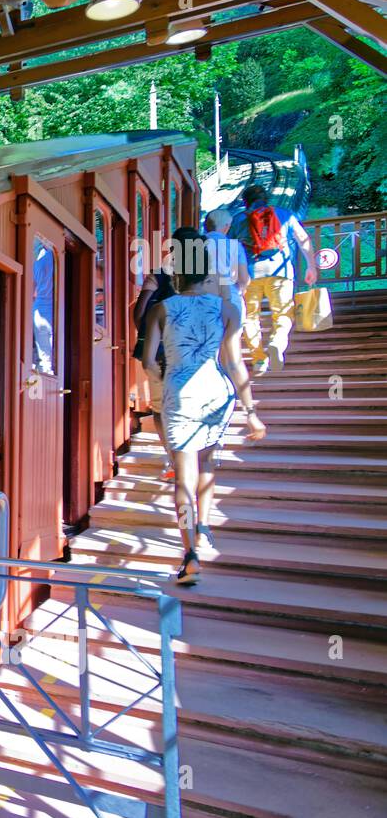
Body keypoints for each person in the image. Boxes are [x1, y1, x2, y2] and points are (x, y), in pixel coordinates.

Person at [143, 234, 266, 585]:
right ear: (207, 272)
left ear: (177, 273)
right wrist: (251, 412)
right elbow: (235, 364)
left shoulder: (161, 309)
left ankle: (190, 555)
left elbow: (149, 363)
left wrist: (167, 377)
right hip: (216, 393)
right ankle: (204, 526)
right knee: (208, 462)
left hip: (179, 394)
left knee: (184, 478)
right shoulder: (225, 309)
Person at [229, 184, 317, 375]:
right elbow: (303, 239)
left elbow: (229, 250)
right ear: (266, 199)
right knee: (283, 313)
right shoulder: (284, 214)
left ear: (246, 201)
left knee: (250, 316)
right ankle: (277, 342)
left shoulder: (238, 219)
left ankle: (259, 359)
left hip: (250, 275)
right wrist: (311, 265)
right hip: (281, 272)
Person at [133, 228, 192, 481]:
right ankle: (193, 458)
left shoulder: (158, 274)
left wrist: (151, 337)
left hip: (159, 353)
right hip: (192, 353)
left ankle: (172, 457)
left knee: (160, 408)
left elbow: (139, 313)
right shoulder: (207, 278)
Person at [203, 208, 250, 321]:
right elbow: (243, 279)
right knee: (231, 335)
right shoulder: (235, 246)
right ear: (226, 227)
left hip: (202, 298)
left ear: (206, 226)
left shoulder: (194, 244)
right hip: (229, 296)